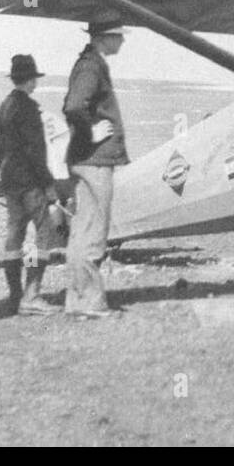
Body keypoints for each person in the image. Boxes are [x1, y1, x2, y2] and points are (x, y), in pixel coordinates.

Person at [62, 20, 129, 318]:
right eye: (119, 36)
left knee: (81, 232)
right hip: (94, 159)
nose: (123, 42)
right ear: (105, 37)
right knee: (93, 233)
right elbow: (74, 106)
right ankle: (90, 303)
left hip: (86, 159)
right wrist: (91, 132)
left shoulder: (88, 63)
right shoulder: (91, 66)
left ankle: (78, 302)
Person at [0, 54, 64, 316]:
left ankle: (14, 296)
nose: (36, 84)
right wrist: (48, 184)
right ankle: (32, 295)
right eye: (34, 79)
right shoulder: (29, 109)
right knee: (43, 235)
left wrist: (9, 171)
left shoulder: (1, 110)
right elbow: (36, 151)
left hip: (10, 183)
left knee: (14, 236)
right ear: (30, 80)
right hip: (31, 182)